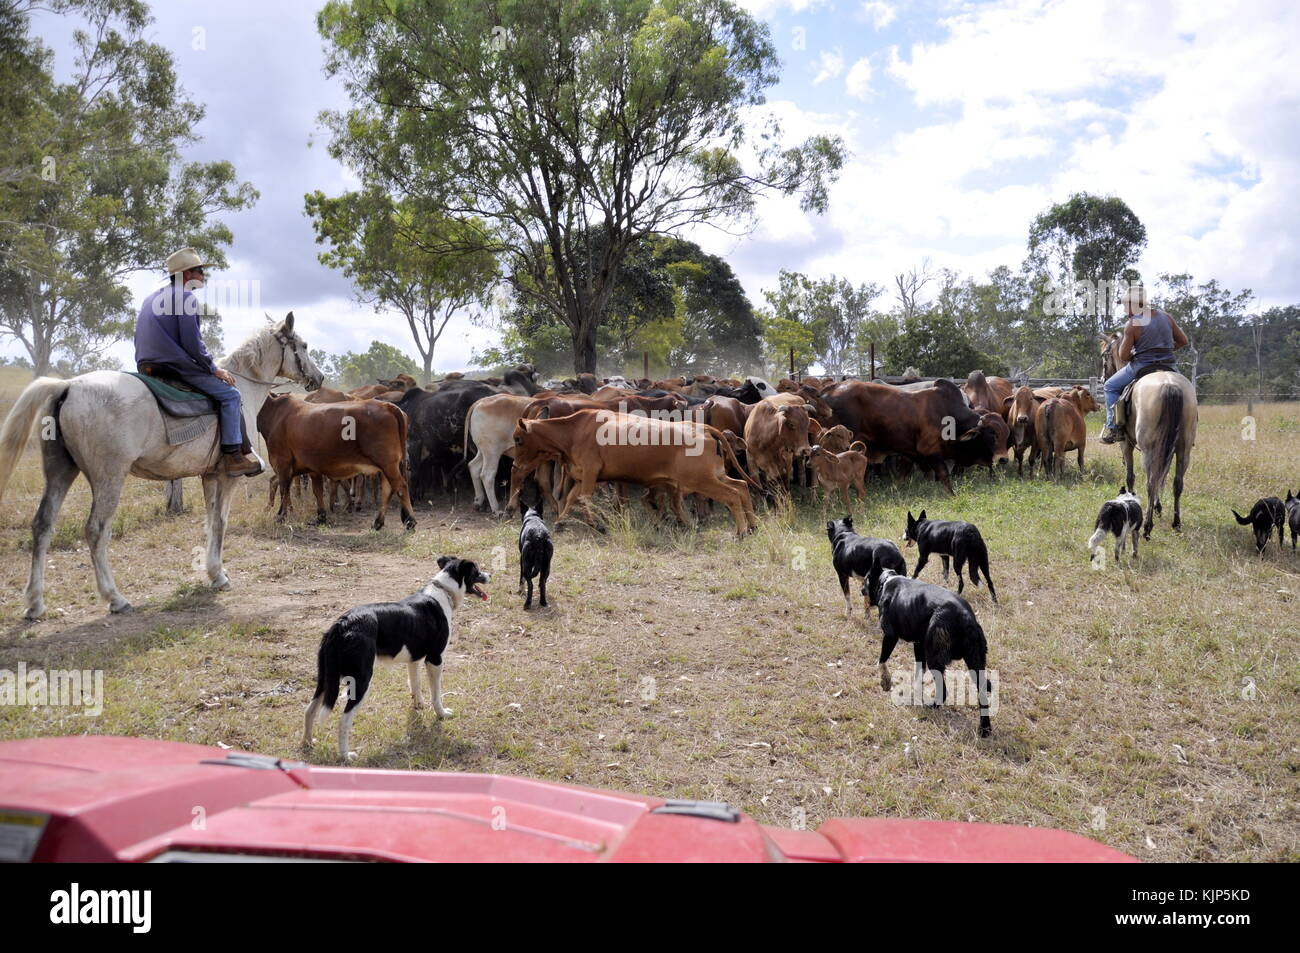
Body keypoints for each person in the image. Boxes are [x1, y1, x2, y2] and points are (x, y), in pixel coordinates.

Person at [134, 247, 262, 475]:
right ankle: (233, 456)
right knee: (231, 395)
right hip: (174, 367)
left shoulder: (150, 298)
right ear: (186, 275)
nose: (204, 276)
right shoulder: (186, 297)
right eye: (200, 270)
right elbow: (193, 344)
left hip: (145, 366)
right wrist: (214, 369)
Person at [1098, 284, 1189, 444]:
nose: (1125, 309)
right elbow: (1183, 341)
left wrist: (1136, 352)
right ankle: (1189, 427)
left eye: (1126, 305)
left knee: (1110, 386)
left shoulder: (1132, 324)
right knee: (1187, 391)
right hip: (1169, 365)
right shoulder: (1166, 317)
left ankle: (1114, 428)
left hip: (1142, 365)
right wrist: (1165, 350)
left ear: (1134, 304)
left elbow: (1123, 355)